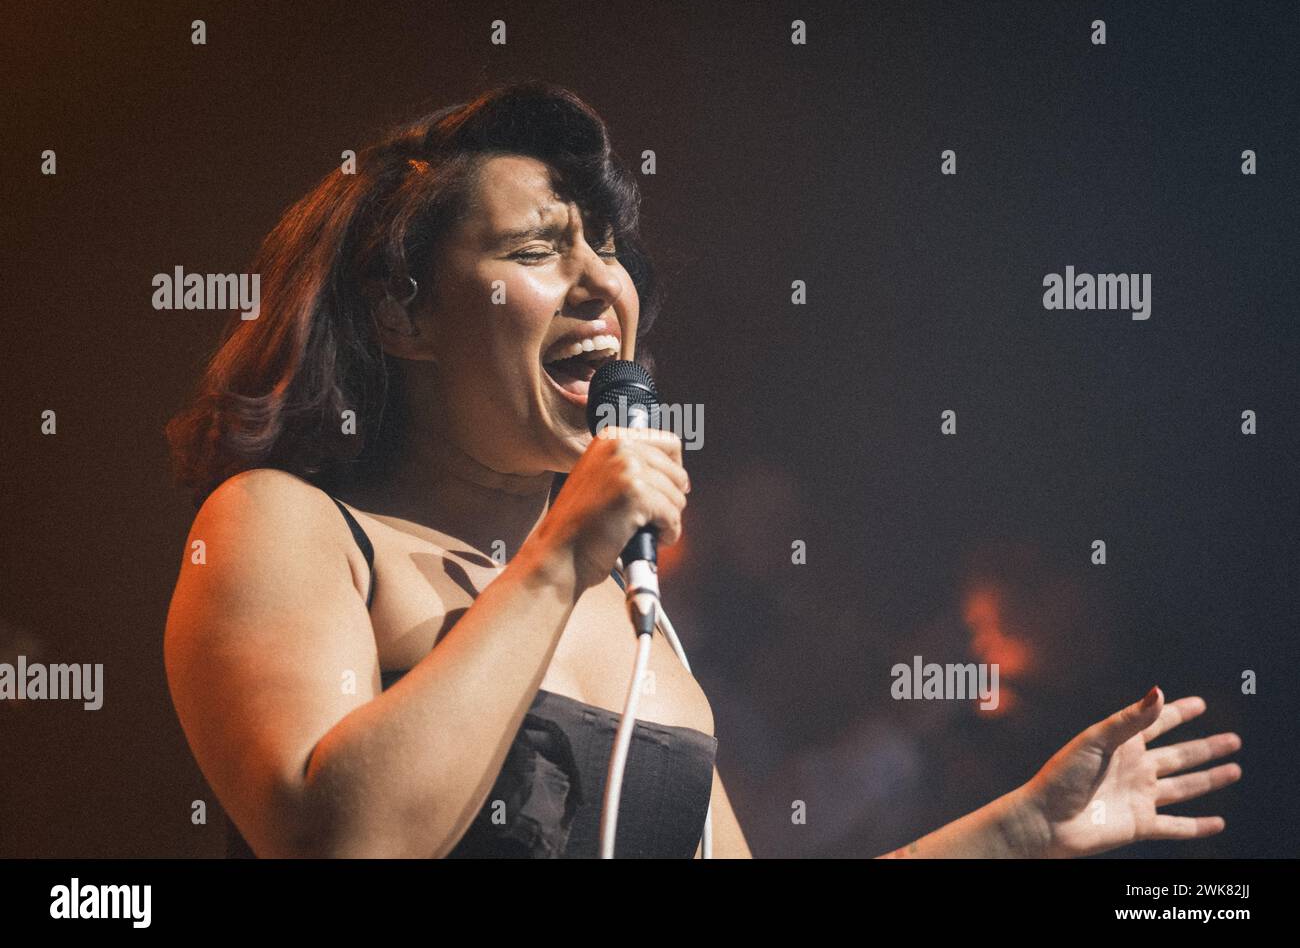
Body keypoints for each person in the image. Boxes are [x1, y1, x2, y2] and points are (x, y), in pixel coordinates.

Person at [162, 81, 1242, 859]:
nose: (601, 282)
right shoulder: (285, 525)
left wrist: (1014, 832)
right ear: (402, 311)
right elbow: (337, 839)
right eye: (537, 250)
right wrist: (553, 560)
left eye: (606, 248)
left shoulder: (629, 613)